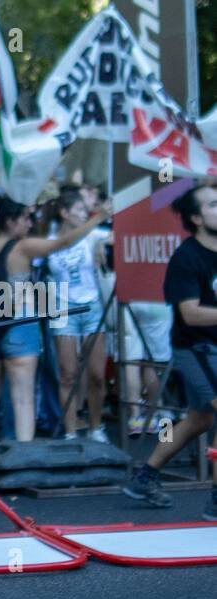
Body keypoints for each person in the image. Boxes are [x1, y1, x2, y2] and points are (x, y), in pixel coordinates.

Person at [0, 196, 111, 452]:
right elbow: (63, 242)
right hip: (19, 324)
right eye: (25, 218)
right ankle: (23, 456)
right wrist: (99, 218)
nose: (30, 223)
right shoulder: (23, 247)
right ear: (11, 221)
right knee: (23, 399)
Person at [122, 183, 217, 520]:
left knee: (199, 419)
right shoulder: (186, 258)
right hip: (194, 348)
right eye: (214, 205)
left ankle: (144, 477)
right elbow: (191, 313)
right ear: (196, 217)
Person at [45, 189, 111, 442]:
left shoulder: (92, 235)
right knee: (68, 373)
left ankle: (96, 427)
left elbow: (116, 237)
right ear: (64, 213)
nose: (84, 215)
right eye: (80, 211)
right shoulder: (50, 240)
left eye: (86, 212)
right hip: (63, 307)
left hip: (92, 305)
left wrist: (103, 245)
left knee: (96, 374)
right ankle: (70, 431)